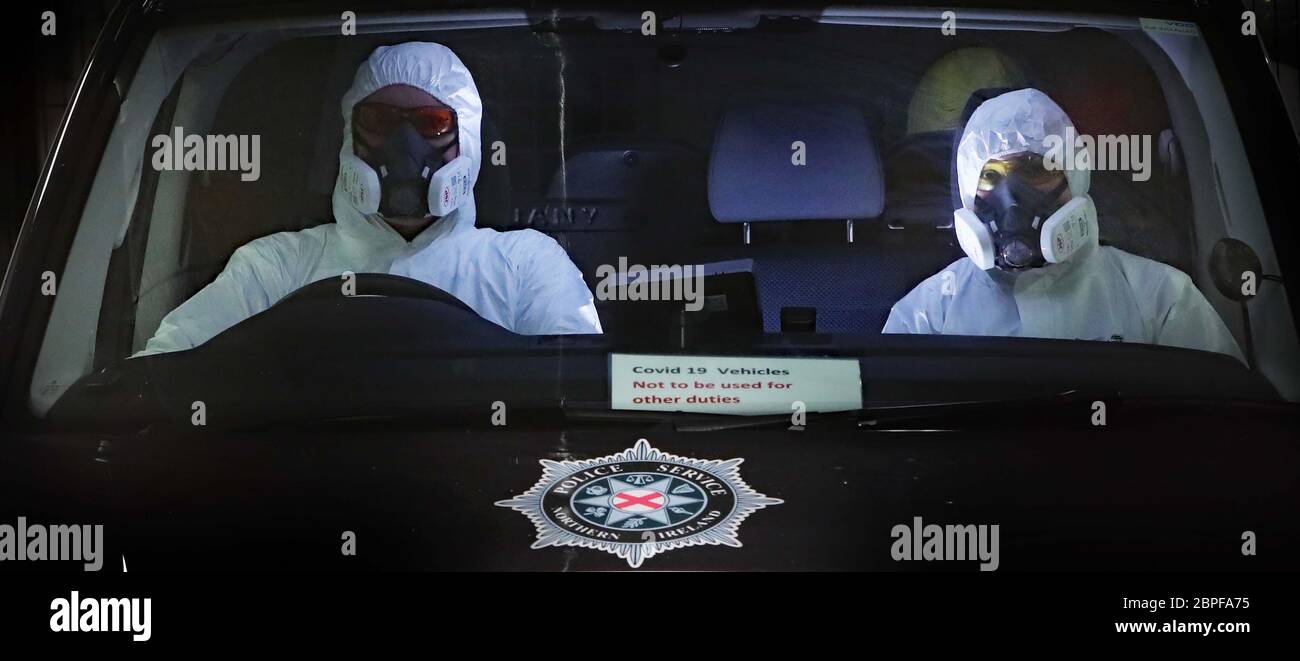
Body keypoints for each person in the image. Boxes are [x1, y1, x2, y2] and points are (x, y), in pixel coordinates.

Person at [138, 42, 601, 356]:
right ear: (349, 139)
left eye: (432, 122)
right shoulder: (275, 268)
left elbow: (573, 396)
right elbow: (164, 376)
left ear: (469, 141)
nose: (404, 144)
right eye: (380, 120)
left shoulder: (525, 266)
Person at [883, 88, 1244, 362]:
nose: (1012, 199)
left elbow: (1222, 430)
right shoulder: (928, 314)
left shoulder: (1160, 298)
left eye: (1035, 169)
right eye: (991, 175)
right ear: (967, 190)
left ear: (1074, 178)